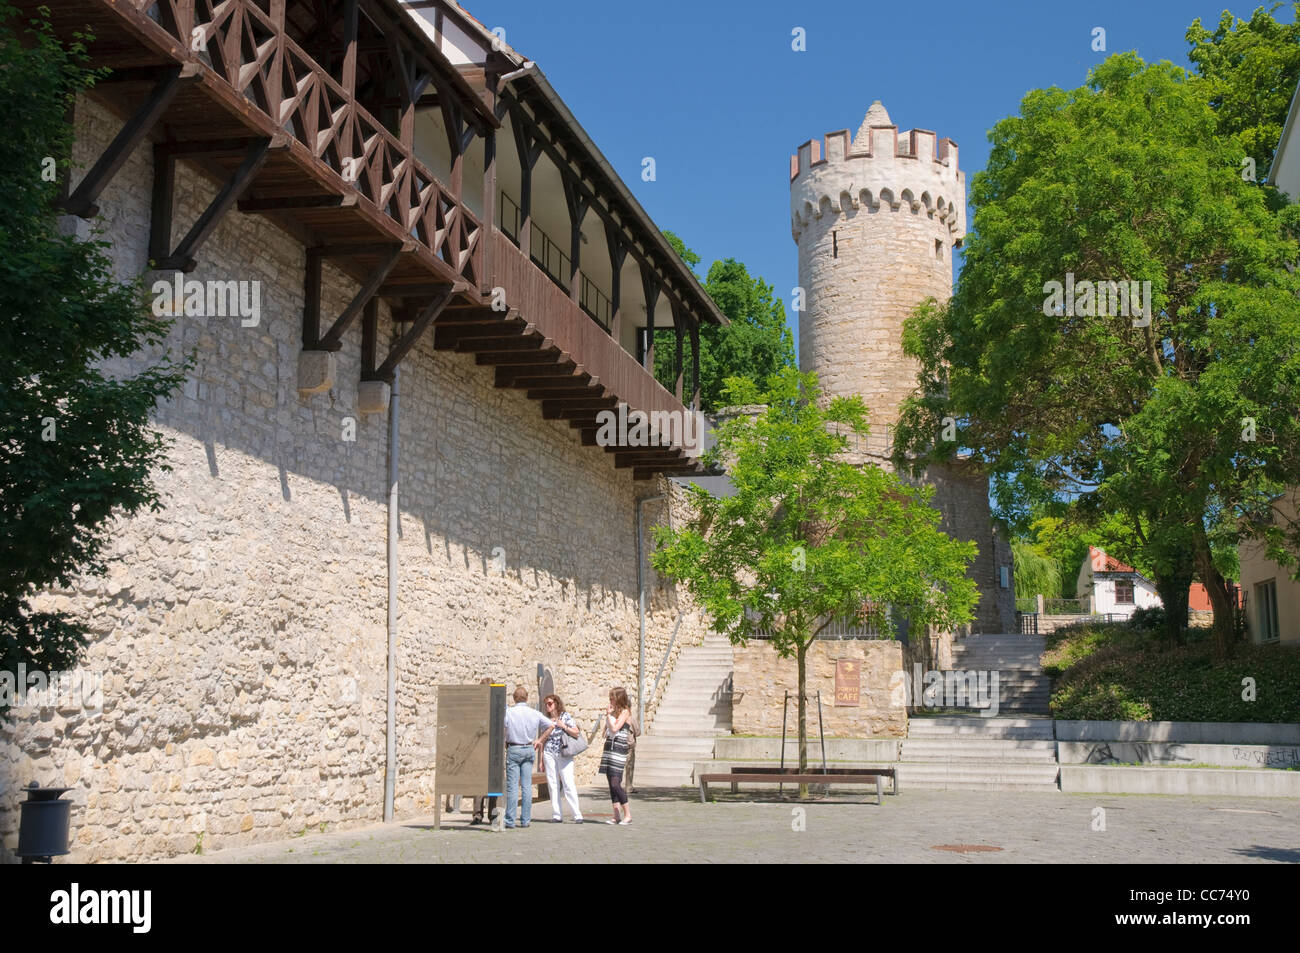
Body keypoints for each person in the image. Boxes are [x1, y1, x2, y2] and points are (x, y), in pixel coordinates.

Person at [503, 684, 552, 829]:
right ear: (527, 697)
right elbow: (550, 725)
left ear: (514, 698)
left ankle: (510, 819)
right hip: (529, 748)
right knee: (526, 786)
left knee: (512, 786)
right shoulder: (534, 713)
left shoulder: (509, 712)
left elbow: (503, 726)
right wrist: (539, 740)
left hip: (514, 747)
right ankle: (525, 819)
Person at [536, 694, 584, 823]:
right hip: (549, 753)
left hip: (563, 752)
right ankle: (557, 814)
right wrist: (540, 760)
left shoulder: (565, 716)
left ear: (556, 703)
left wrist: (564, 726)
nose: (547, 706)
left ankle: (577, 814)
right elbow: (543, 740)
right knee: (552, 784)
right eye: (546, 704)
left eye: (550, 703)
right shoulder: (546, 720)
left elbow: (576, 732)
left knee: (568, 783)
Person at [598, 686, 635, 825]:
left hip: (619, 749)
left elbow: (614, 728)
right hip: (609, 748)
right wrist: (609, 715)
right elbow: (605, 732)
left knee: (615, 782)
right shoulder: (613, 712)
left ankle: (628, 814)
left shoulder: (625, 712)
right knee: (611, 783)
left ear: (618, 698)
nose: (611, 700)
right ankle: (616, 815)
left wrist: (608, 715)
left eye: (612, 698)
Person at [471, 678, 499, 826]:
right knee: (485, 782)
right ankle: (489, 814)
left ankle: (480, 814)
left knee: (486, 782)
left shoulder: (496, 706)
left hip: (488, 747)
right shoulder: (479, 707)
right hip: (485, 747)